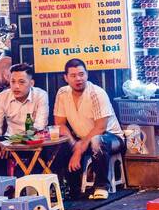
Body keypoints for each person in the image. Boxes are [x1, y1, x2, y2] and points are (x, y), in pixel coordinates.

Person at [54, 59, 125, 200]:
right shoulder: (62, 93)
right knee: (59, 142)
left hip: (111, 138)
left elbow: (101, 127)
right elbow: (60, 124)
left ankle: (102, 186)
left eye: (81, 74)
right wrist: (74, 144)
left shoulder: (96, 93)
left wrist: (79, 150)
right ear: (66, 78)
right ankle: (70, 188)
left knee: (96, 140)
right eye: (73, 76)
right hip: (82, 138)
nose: (78, 79)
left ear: (87, 74)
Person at [0, 63, 49, 160]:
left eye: (21, 82)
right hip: (10, 139)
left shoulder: (41, 95)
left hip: (33, 140)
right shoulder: (2, 97)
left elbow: (39, 126)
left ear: (31, 83)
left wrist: (12, 143)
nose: (16, 86)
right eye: (13, 82)